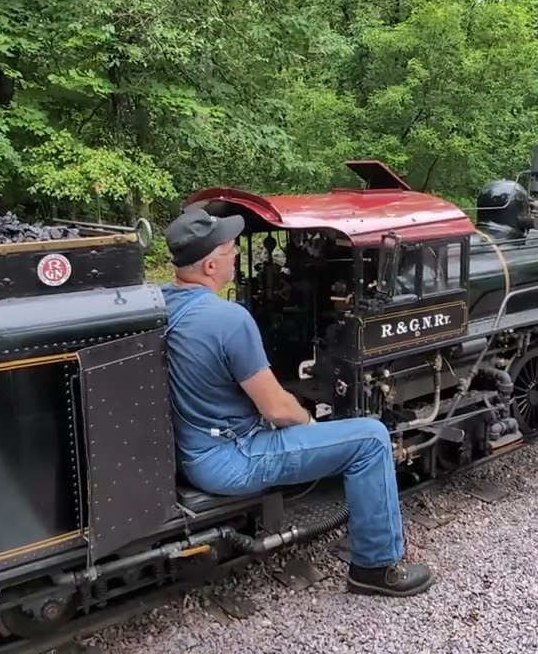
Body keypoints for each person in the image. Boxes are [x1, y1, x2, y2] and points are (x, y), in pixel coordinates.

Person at [159, 206, 436, 597]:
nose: (237, 253)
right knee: (371, 438)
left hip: (195, 449)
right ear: (209, 266)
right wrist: (308, 421)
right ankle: (375, 568)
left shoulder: (164, 303)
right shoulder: (227, 319)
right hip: (232, 457)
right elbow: (277, 409)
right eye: (229, 248)